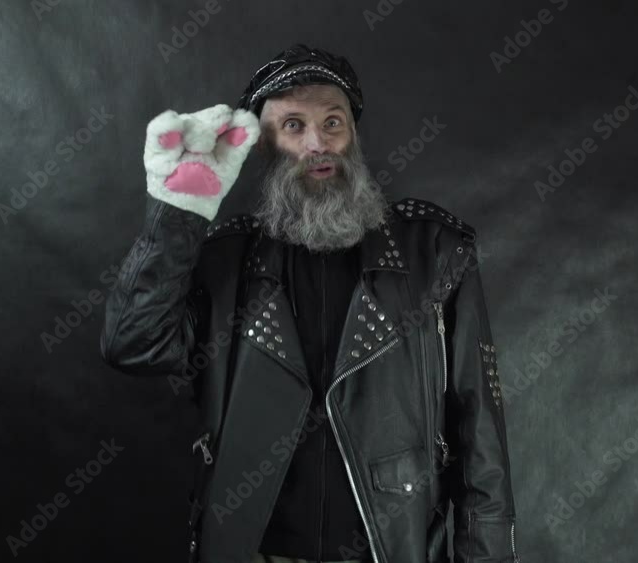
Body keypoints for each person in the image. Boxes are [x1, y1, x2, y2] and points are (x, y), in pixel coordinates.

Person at [100, 43, 520, 563]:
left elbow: (480, 438)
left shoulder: (434, 252)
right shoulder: (225, 259)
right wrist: (177, 214)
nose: (318, 143)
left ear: (353, 135)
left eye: (332, 123)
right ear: (262, 145)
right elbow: (133, 344)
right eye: (293, 126)